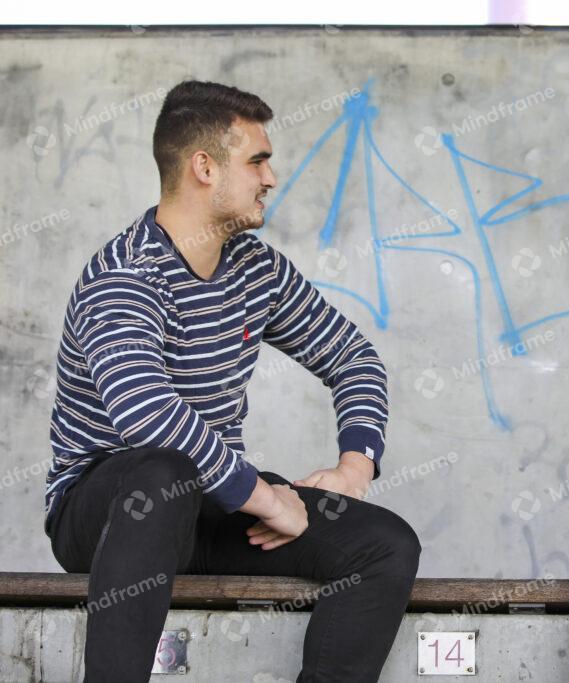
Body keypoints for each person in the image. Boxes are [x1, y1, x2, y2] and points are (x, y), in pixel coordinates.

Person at [43, 80, 420, 682]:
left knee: (385, 545)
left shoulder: (256, 268)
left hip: (211, 504)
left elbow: (354, 357)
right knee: (164, 469)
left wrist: (356, 466)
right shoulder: (126, 272)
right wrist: (267, 497)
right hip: (109, 510)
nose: (271, 178)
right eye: (257, 160)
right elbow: (146, 413)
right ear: (204, 167)